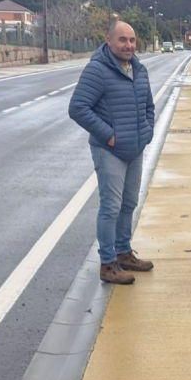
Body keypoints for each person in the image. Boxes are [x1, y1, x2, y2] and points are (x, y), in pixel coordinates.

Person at [68, 19, 156, 285]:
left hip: (135, 148)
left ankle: (124, 252)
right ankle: (108, 264)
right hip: (111, 151)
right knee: (111, 207)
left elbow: (148, 106)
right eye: (122, 40)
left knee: (129, 203)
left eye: (131, 40)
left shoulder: (138, 69)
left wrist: (147, 130)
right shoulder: (97, 70)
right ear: (109, 41)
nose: (128, 45)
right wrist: (108, 136)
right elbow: (78, 108)